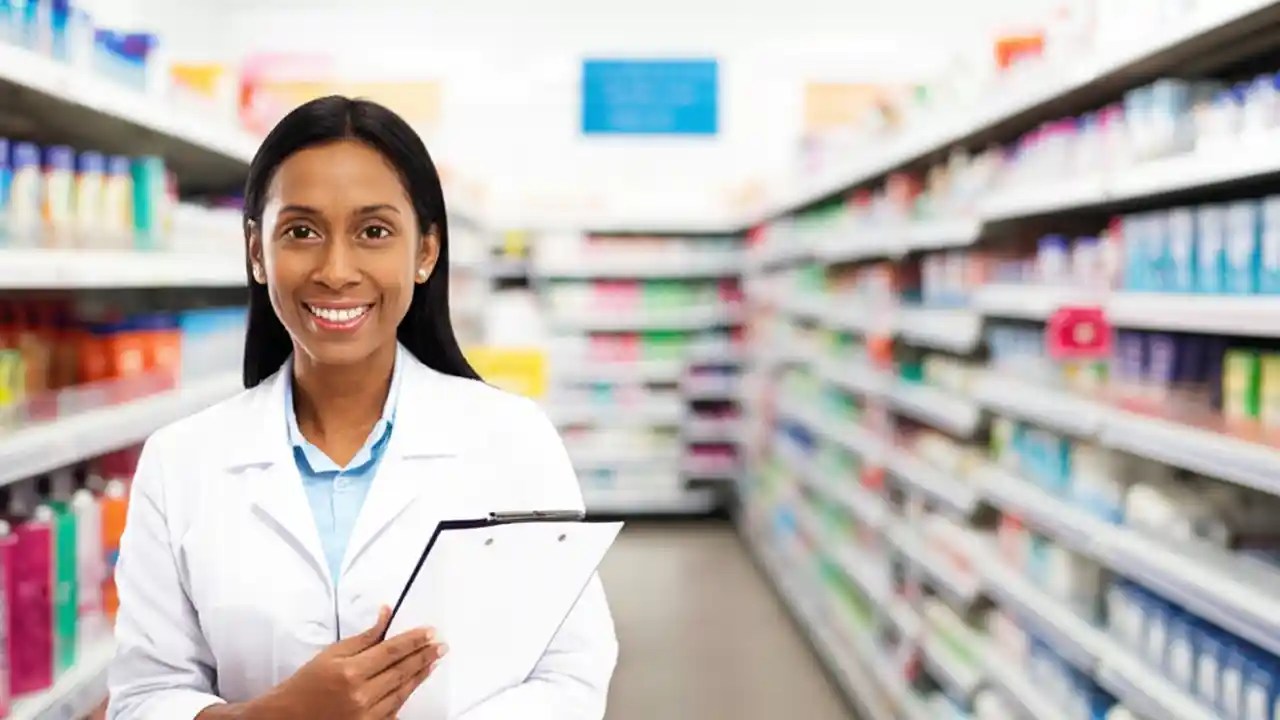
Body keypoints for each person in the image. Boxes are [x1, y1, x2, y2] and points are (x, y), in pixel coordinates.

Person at [106, 96, 618, 720]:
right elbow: (144, 699)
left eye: (373, 232)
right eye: (301, 231)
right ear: (257, 252)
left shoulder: (513, 440)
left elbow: (570, 677)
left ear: (425, 250)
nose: (336, 270)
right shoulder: (181, 460)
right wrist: (279, 716)